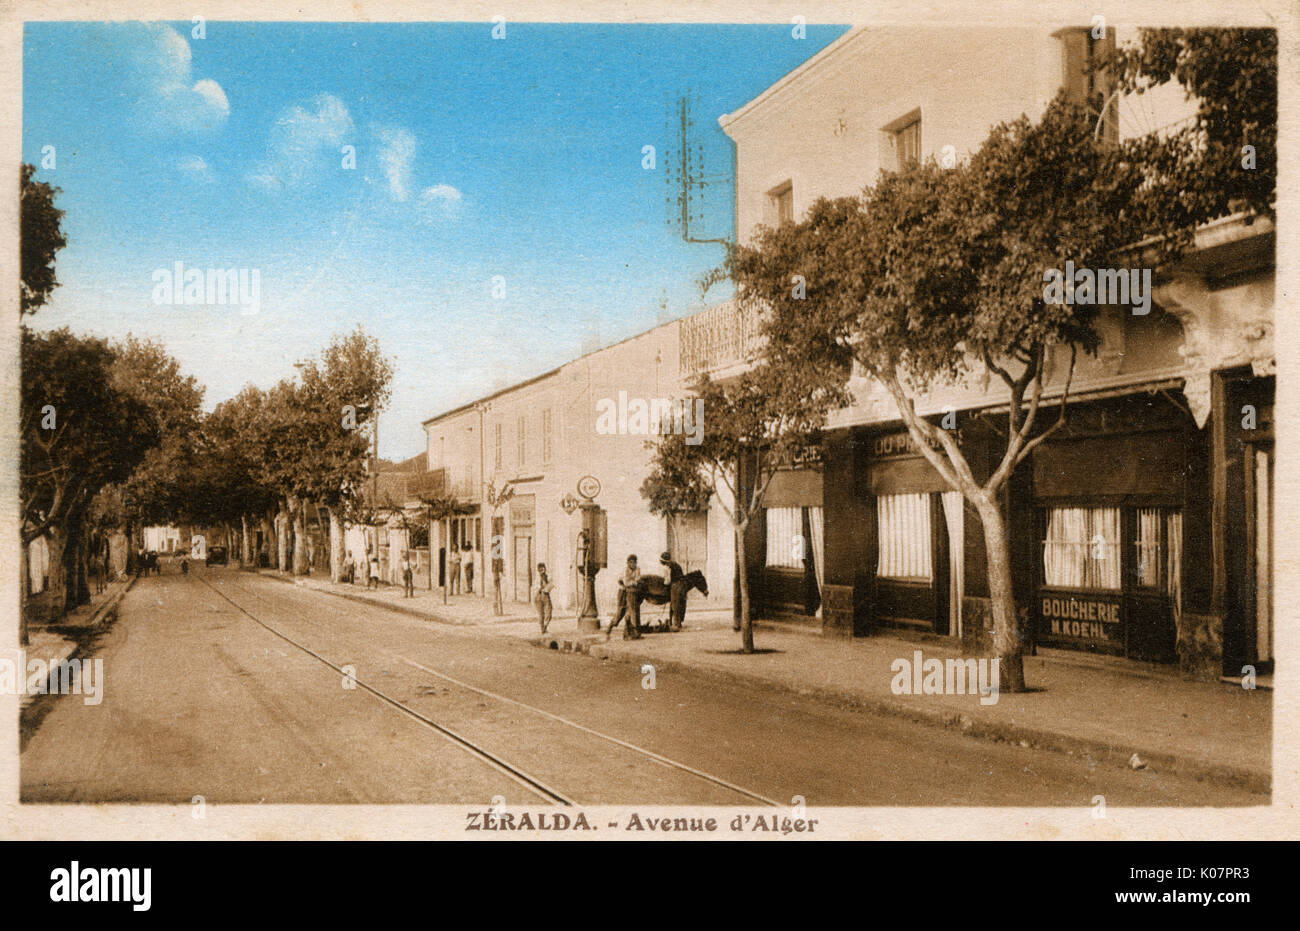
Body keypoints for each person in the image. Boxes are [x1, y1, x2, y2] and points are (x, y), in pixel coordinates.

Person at [608, 554, 642, 640]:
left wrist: (632, 582)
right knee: (620, 612)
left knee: (633, 611)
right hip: (623, 592)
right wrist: (632, 582)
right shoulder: (625, 570)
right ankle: (611, 626)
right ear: (627, 563)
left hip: (632, 592)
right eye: (631, 562)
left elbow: (637, 580)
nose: (633, 564)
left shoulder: (637, 569)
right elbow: (626, 583)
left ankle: (632, 632)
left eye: (634, 562)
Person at [660, 551, 685, 632]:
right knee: (678, 604)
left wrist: (664, 583)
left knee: (675, 605)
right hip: (681, 585)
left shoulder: (668, 567)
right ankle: (678, 623)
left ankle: (676, 624)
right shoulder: (676, 564)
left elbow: (667, 581)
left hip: (675, 586)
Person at [534, 563, 554, 634]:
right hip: (538, 596)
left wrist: (546, 587)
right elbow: (535, 587)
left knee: (549, 611)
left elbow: (552, 584)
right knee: (541, 613)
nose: (542, 571)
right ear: (538, 570)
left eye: (543, 569)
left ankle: (545, 626)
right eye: (540, 569)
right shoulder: (537, 578)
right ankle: (542, 628)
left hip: (545, 595)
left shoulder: (548, 576)